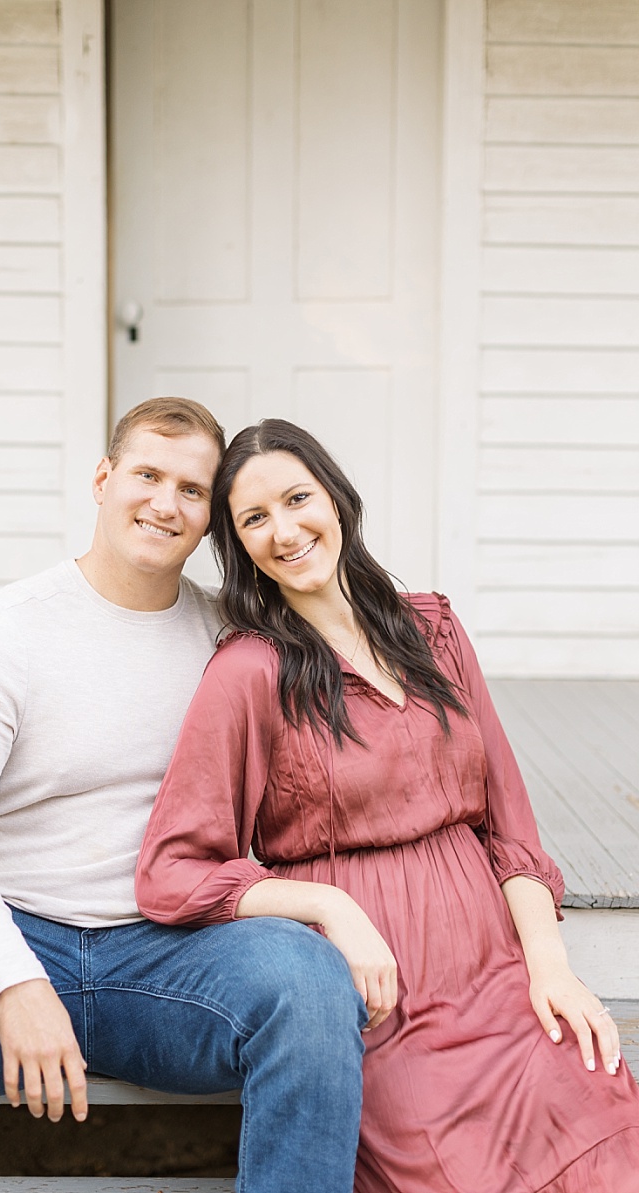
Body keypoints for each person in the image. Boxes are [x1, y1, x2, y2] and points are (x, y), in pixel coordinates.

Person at [0, 398, 367, 1193]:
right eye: (147, 475)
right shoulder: (4, 628)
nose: (165, 503)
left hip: (173, 951)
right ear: (103, 478)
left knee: (312, 988)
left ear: (210, 520)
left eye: (192, 490)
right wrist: (15, 979)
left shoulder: (230, 639)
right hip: (8, 933)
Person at [136, 418, 639, 1192]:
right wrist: (329, 905)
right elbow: (172, 870)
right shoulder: (248, 672)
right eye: (255, 519)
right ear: (239, 548)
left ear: (334, 498)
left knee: (603, 1117)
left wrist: (550, 966)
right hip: (382, 1007)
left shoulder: (433, 627)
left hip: (499, 977)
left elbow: (509, 824)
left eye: (298, 497)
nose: (286, 529)